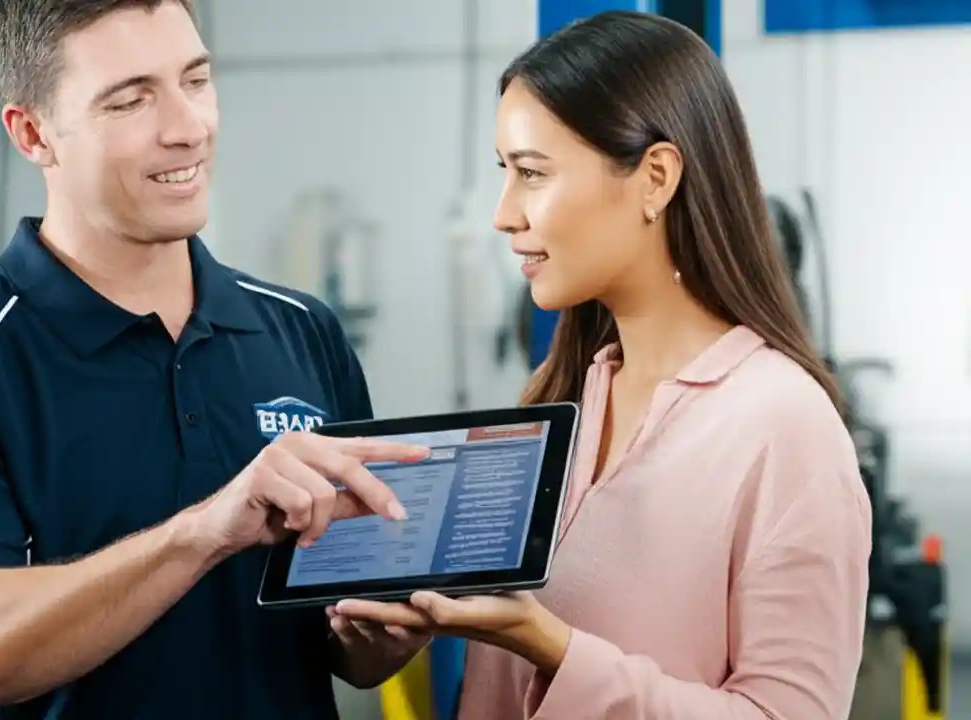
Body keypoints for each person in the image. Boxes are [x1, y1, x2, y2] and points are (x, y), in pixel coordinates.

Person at [0, 1, 433, 718]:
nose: (187, 127)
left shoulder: (302, 331)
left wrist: (383, 635)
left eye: (195, 80)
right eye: (131, 100)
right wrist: (205, 531)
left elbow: (345, 651)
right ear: (33, 132)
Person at [333, 11, 872, 720]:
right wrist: (385, 642)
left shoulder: (784, 427)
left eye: (531, 173)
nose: (503, 213)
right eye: (505, 173)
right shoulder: (558, 404)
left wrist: (555, 649)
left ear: (654, 177)